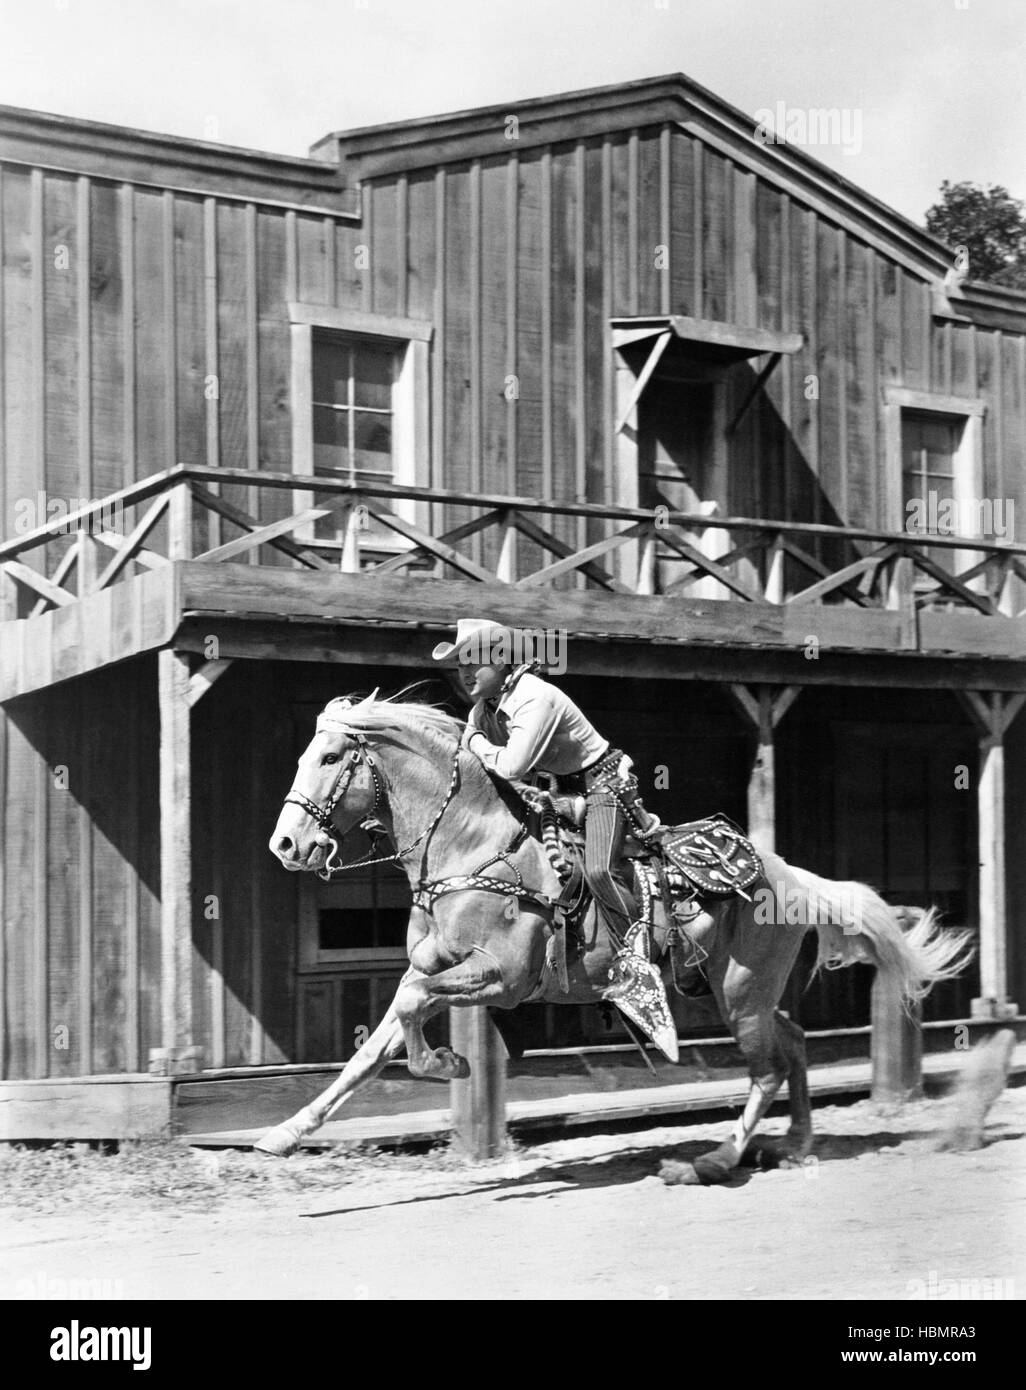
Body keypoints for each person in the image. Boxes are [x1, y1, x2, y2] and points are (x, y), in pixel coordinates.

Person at [432, 617, 677, 1060]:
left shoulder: (534, 698)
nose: (465, 674)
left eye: (474, 662)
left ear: (503, 661)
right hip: (556, 792)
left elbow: (508, 766)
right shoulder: (481, 710)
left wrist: (474, 743)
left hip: (604, 786)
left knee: (600, 869)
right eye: (460, 666)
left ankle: (636, 965)